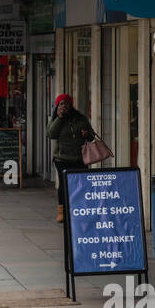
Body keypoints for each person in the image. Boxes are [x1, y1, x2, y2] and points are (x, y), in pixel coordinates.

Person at [48, 93, 96, 223]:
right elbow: (51, 134)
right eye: (61, 104)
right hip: (62, 159)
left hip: (79, 158)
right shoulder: (56, 119)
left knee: (80, 186)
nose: (64, 106)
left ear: (71, 105)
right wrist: (60, 118)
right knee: (63, 186)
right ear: (57, 106)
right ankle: (61, 212)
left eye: (66, 103)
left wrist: (87, 135)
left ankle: (79, 210)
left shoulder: (80, 119)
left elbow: (92, 136)